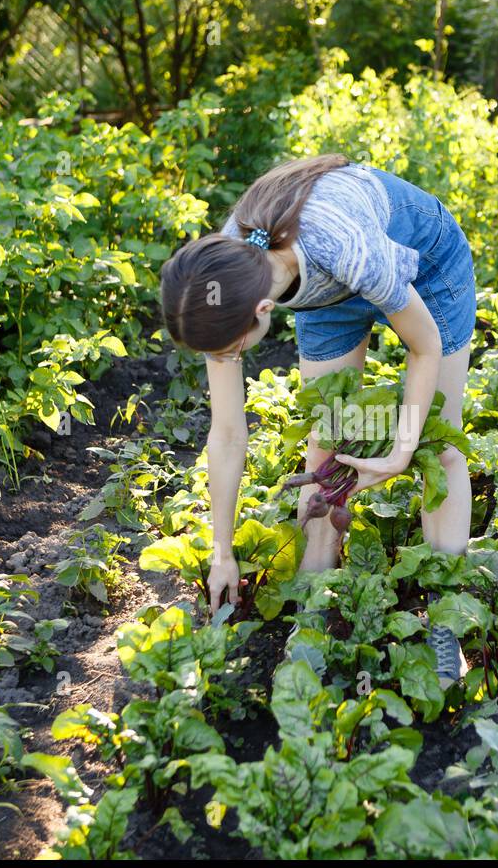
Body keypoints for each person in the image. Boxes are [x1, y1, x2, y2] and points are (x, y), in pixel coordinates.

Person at [159, 154, 475, 687]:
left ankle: (447, 621)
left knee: (438, 445)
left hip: (426, 263)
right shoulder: (220, 277)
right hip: (328, 289)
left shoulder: (346, 247)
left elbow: (423, 350)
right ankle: (312, 614)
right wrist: (221, 552)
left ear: (261, 313)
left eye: (227, 353)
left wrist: (400, 449)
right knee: (327, 444)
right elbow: (228, 432)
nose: (224, 361)